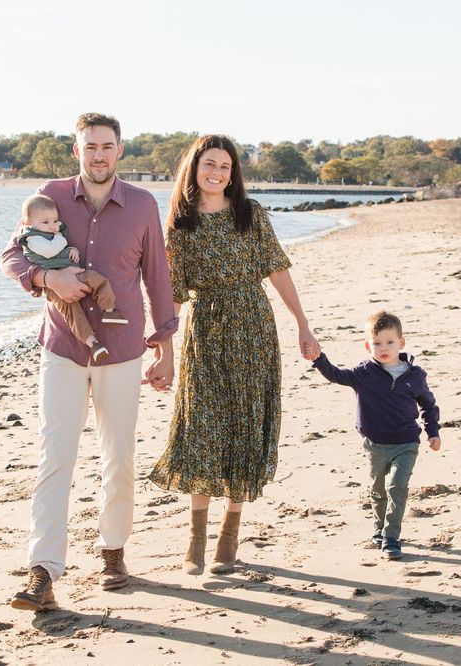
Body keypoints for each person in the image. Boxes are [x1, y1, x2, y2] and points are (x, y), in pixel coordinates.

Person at [0, 113, 178, 611]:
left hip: (122, 353)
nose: (98, 154)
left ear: (119, 151)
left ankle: (113, 551)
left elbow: (157, 278)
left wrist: (165, 345)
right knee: (55, 456)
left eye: (107, 146)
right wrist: (45, 280)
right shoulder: (50, 195)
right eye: (89, 147)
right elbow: (11, 256)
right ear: (76, 151)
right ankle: (43, 572)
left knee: (118, 458)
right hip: (61, 347)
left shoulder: (142, 204)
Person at [148, 134, 320, 576]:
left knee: (245, 427)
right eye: (210, 164)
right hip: (205, 332)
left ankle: (230, 533)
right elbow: (171, 296)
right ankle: (195, 537)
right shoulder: (180, 225)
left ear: (233, 172)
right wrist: (163, 352)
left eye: (225, 166)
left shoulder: (252, 215)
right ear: (194, 167)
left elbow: (277, 270)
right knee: (202, 427)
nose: (217, 173)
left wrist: (303, 324)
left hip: (253, 327)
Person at [311, 310, 442, 560]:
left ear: (401, 343)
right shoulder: (364, 373)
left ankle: (392, 537)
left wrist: (432, 431)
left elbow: (428, 404)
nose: (384, 348)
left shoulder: (414, 376)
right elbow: (336, 375)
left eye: (390, 342)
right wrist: (319, 358)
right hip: (374, 445)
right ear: (367, 345)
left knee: (397, 486)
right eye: (377, 343)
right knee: (378, 491)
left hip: (405, 443)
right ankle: (379, 529)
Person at [16, 193, 128, 362]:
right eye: (45, 222)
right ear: (28, 223)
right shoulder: (31, 238)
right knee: (74, 313)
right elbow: (50, 250)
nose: (53, 226)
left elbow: (60, 250)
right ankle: (93, 344)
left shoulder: (49, 232)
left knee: (99, 280)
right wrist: (61, 238)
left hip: (74, 273)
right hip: (55, 287)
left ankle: (109, 310)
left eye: (55, 220)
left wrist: (71, 251)